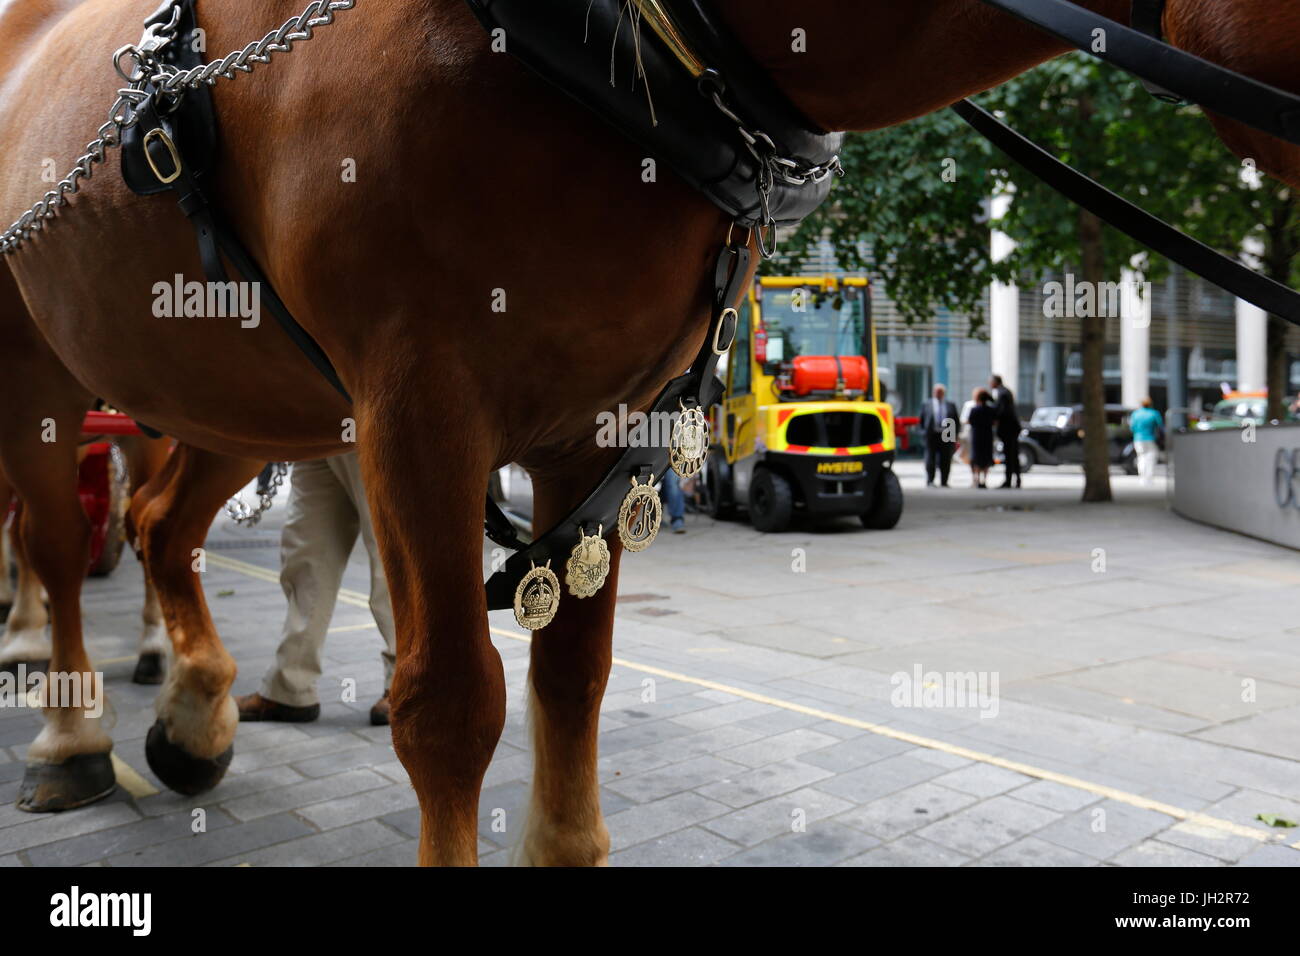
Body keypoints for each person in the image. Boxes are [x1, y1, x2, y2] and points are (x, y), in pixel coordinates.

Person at [236, 453, 396, 726]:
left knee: (390, 558)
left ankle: (406, 681)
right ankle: (290, 685)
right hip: (318, 432)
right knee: (305, 557)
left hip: (371, 420)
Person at [919, 383, 959, 487]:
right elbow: (922, 420)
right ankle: (930, 481)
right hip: (932, 435)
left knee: (946, 459)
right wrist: (923, 432)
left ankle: (944, 481)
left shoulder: (950, 405)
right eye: (936, 392)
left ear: (943, 394)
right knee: (930, 459)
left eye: (940, 392)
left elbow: (956, 421)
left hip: (946, 434)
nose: (938, 394)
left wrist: (954, 436)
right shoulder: (927, 404)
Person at [990, 374, 1022, 489]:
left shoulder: (1002, 393)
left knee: (1010, 455)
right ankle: (1016, 479)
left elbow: (1001, 411)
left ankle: (1009, 480)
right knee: (1013, 455)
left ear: (995, 382)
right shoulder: (1005, 392)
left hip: (1009, 429)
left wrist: (993, 417)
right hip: (1011, 428)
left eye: (991, 381)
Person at [1129, 397, 1164, 486]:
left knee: (1141, 457)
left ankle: (1142, 478)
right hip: (1150, 438)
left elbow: (1132, 427)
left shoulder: (1135, 414)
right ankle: (1149, 478)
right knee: (1151, 458)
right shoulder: (1154, 413)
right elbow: (1160, 426)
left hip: (1138, 439)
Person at [967, 389, 997, 489]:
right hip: (987, 435)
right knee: (986, 457)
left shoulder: (974, 409)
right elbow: (995, 422)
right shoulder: (991, 409)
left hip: (977, 435)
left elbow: (970, 421)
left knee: (977, 457)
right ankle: (984, 480)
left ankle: (977, 478)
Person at [661, 469, 686, 533]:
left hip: (672, 460)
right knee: (656, 485)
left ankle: (677, 518)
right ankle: (656, 519)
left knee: (673, 484)